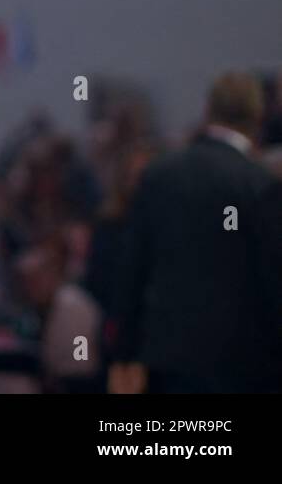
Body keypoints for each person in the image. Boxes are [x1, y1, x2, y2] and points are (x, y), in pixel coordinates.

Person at [110, 72, 282, 393]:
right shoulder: (260, 185)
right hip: (243, 364)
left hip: (167, 358)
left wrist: (124, 352)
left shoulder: (159, 176)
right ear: (259, 116)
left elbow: (133, 268)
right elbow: (272, 279)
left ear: (208, 110)